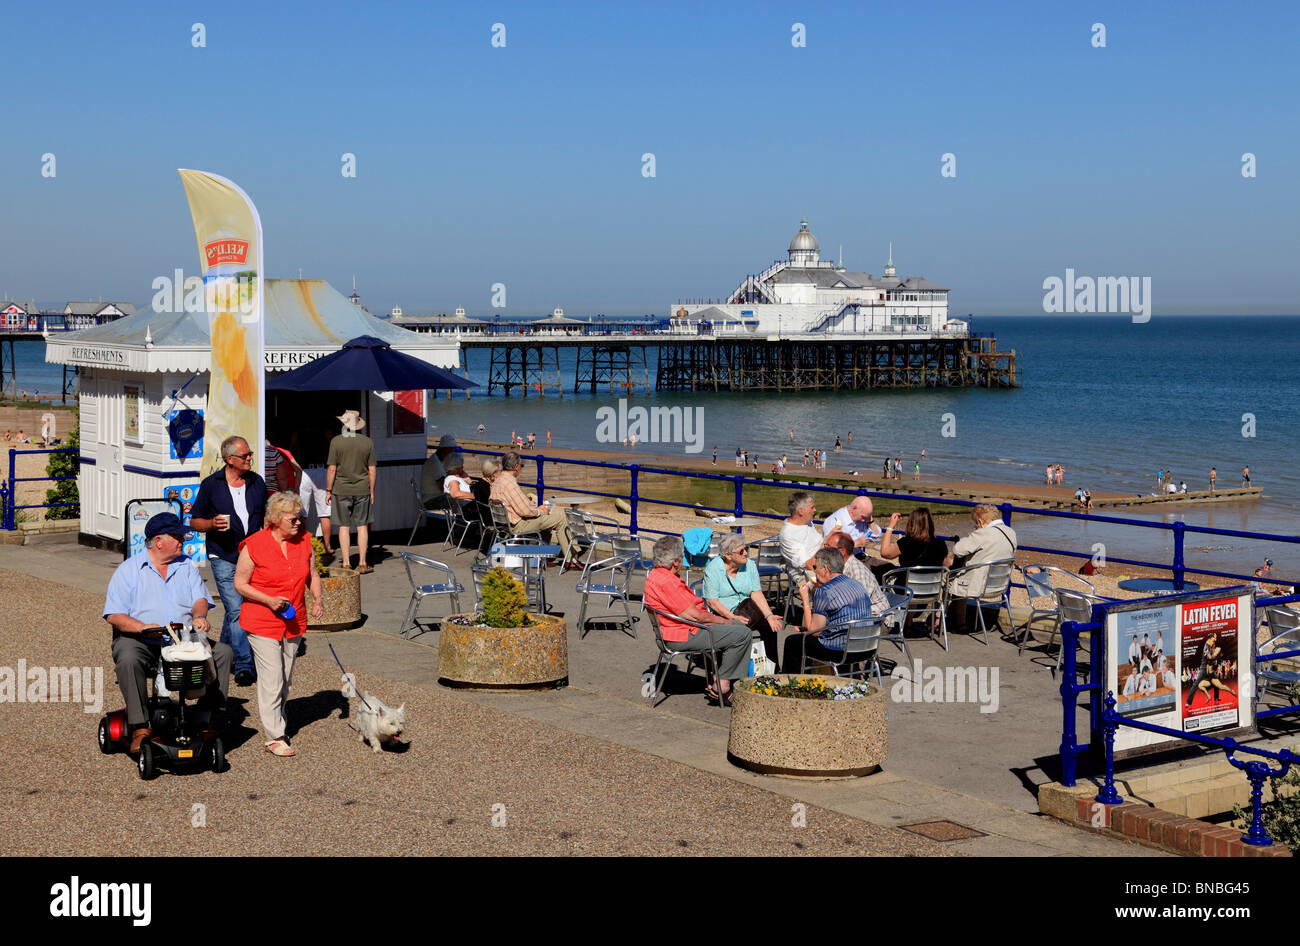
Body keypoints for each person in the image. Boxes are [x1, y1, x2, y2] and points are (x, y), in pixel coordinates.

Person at [103, 513, 233, 754]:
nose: (183, 540)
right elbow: (114, 615)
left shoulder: (186, 566)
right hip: (142, 640)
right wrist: (142, 627)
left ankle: (206, 719)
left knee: (223, 652)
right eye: (177, 536)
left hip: (183, 639)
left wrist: (199, 616)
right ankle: (140, 726)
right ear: (159, 541)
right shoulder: (129, 570)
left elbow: (200, 599)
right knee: (128, 657)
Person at [233, 491, 323, 757]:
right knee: (272, 678)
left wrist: (318, 598)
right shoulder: (254, 545)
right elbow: (240, 584)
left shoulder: (305, 541)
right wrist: (268, 600)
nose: (298, 522)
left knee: (285, 678)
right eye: (292, 518)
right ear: (276, 519)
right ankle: (275, 735)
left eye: (299, 518)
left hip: (293, 620)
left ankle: (278, 720)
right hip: (261, 620)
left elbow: (313, 573)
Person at [189, 434, 267, 686]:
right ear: (229, 459)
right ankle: (244, 665)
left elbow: (266, 516)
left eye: (250, 454)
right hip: (222, 554)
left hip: (252, 555)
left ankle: (221, 650)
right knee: (237, 609)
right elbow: (195, 521)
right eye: (245, 456)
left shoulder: (257, 482)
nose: (250, 458)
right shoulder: (212, 485)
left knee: (238, 610)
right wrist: (212, 523)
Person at [644, 535, 752, 704]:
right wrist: (723, 620)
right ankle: (722, 684)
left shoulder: (655, 575)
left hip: (671, 631)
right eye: (682, 558)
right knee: (742, 634)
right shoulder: (668, 582)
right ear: (676, 562)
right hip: (681, 635)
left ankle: (721, 675)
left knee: (736, 628)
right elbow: (695, 616)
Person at [784, 547, 872, 671]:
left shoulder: (824, 591)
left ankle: (791, 684)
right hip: (867, 647)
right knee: (806, 638)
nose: (813, 572)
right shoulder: (858, 585)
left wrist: (805, 600)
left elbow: (814, 631)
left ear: (825, 569)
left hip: (841, 651)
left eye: (815, 567)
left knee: (793, 642)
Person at [703, 533, 783, 667]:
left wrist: (769, 615)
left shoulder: (749, 565)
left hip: (748, 609)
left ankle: (772, 670)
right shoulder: (713, 569)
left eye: (746, 549)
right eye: (741, 551)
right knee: (740, 630)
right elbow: (712, 601)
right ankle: (733, 671)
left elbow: (756, 593)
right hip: (724, 613)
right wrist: (732, 617)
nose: (746, 553)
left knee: (770, 626)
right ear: (728, 555)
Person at [490, 451, 575, 564]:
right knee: (561, 518)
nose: (521, 467)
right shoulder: (510, 484)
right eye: (521, 465)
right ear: (516, 467)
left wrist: (537, 509)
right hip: (519, 525)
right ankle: (571, 559)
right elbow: (524, 511)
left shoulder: (497, 481)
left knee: (548, 518)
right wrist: (540, 511)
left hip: (504, 523)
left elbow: (519, 505)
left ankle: (541, 556)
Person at [946, 504, 1017, 633]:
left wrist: (975, 532)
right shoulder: (1011, 532)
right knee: (961, 576)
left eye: (976, 523)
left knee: (946, 578)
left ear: (979, 521)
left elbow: (958, 550)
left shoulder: (982, 534)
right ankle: (959, 623)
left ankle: (941, 622)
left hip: (978, 585)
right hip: (999, 585)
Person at [326, 410, 377, 574]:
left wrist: (328, 490)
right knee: (362, 526)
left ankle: (346, 563)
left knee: (344, 526)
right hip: (362, 488)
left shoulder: (336, 442)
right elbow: (372, 469)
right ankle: (362, 562)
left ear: (344, 423)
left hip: (341, 489)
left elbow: (332, 469)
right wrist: (372, 490)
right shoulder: (367, 442)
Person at [826, 532, 890, 618]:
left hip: (875, 619)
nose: (824, 550)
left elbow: (861, 605)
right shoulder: (838, 566)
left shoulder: (857, 572)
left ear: (841, 551)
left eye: (828, 547)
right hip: (855, 615)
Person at [879, 507, 952, 572]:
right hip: (931, 586)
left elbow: (885, 553)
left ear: (911, 524)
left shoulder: (905, 543)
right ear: (930, 524)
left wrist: (890, 526)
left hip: (906, 586)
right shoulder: (940, 543)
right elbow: (947, 565)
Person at [779, 491, 823, 587]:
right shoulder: (788, 534)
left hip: (824, 563)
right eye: (812, 507)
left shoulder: (808, 523)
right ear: (801, 511)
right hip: (808, 573)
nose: (815, 510)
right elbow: (808, 564)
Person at [421, 433, 458, 509]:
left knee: (460, 497)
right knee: (460, 500)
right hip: (431, 500)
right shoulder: (434, 463)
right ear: (444, 449)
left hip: (434, 496)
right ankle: (459, 520)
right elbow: (442, 486)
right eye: (451, 450)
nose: (453, 453)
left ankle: (458, 519)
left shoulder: (439, 460)